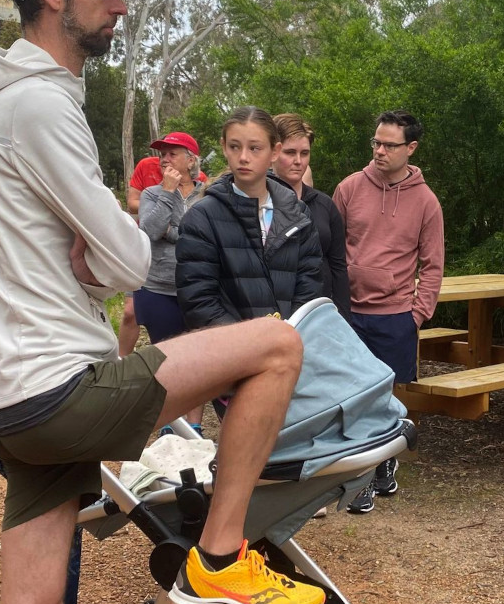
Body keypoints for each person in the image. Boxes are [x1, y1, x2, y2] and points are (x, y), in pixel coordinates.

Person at [0, 0, 324, 604]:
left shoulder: (4, 104)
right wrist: (104, 253)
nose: (121, 3)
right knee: (278, 342)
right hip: (63, 386)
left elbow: (81, 254)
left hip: (13, 403)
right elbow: (126, 262)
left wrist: (90, 256)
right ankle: (222, 554)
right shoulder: (43, 103)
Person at [334, 110, 444, 511]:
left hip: (396, 315)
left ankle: (384, 462)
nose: (379, 150)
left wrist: (416, 314)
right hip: (348, 315)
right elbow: (331, 250)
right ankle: (358, 479)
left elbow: (433, 264)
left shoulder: (426, 202)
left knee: (387, 399)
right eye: (375, 142)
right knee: (350, 397)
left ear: (410, 148)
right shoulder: (348, 189)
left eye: (389, 145)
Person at [176, 107, 323, 327]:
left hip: (288, 348)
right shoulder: (202, 218)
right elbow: (199, 301)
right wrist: (250, 345)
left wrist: (288, 335)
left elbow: (309, 287)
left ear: (274, 151)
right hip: (231, 352)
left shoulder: (298, 214)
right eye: (235, 147)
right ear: (224, 147)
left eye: (255, 148)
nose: (243, 157)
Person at [136, 131, 205, 432]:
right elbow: (149, 232)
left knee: (200, 360)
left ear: (191, 160)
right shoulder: (152, 194)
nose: (164, 158)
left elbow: (202, 238)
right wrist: (167, 192)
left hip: (200, 289)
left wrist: (173, 231)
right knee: (166, 361)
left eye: (172, 153)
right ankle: (170, 425)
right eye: (162, 153)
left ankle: (196, 428)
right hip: (158, 289)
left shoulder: (209, 193)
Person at [272, 112, 351, 319]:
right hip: (272, 316)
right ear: (273, 151)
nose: (298, 161)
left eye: (305, 153)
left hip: (318, 315)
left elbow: (338, 267)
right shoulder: (257, 203)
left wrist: (343, 318)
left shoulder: (325, 205)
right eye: (290, 152)